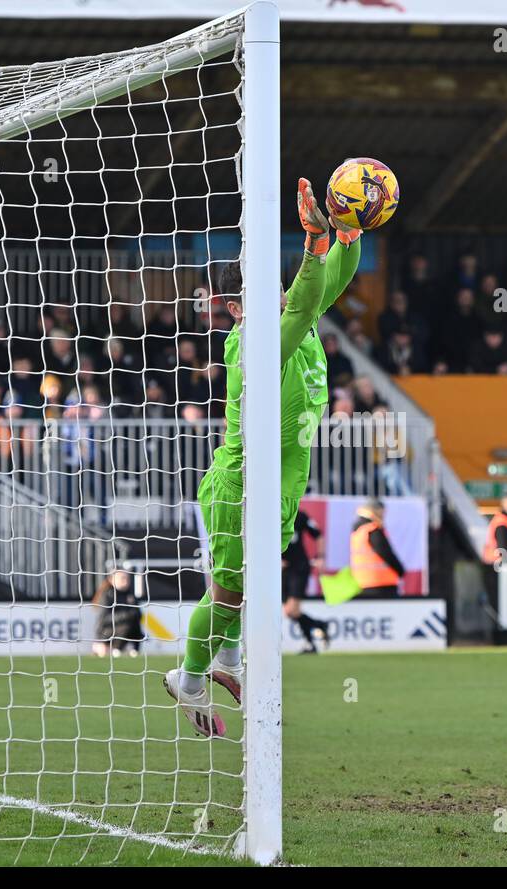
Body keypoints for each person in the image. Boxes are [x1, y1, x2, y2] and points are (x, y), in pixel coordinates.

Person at [163, 178, 361, 738]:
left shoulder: (290, 327)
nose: (281, 296)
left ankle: (225, 660)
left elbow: (331, 284)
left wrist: (349, 229)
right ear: (233, 307)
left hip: (277, 482)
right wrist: (314, 243)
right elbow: (306, 299)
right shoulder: (253, 339)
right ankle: (191, 678)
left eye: (279, 289)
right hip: (241, 483)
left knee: (248, 588)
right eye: (263, 292)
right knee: (229, 591)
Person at [283, 508, 330, 652]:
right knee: (290, 611)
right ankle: (318, 628)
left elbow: (318, 535)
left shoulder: (299, 515)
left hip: (299, 567)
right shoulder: (271, 515)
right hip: (282, 570)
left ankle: (312, 639)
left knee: (292, 610)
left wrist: (320, 557)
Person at [350, 498, 405, 598]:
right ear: (376, 510)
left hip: (362, 583)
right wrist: (400, 570)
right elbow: (385, 553)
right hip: (382, 584)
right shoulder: (372, 529)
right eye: (382, 513)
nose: (383, 517)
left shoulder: (358, 529)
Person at [91, 565, 145, 657]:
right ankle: (114, 649)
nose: (126, 581)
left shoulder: (130, 595)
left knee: (136, 625)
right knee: (126, 625)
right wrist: (126, 615)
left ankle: (134, 650)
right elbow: (104, 619)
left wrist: (134, 614)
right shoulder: (107, 595)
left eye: (127, 578)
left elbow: (138, 614)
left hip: (127, 628)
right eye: (122, 578)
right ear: (112, 580)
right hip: (107, 631)